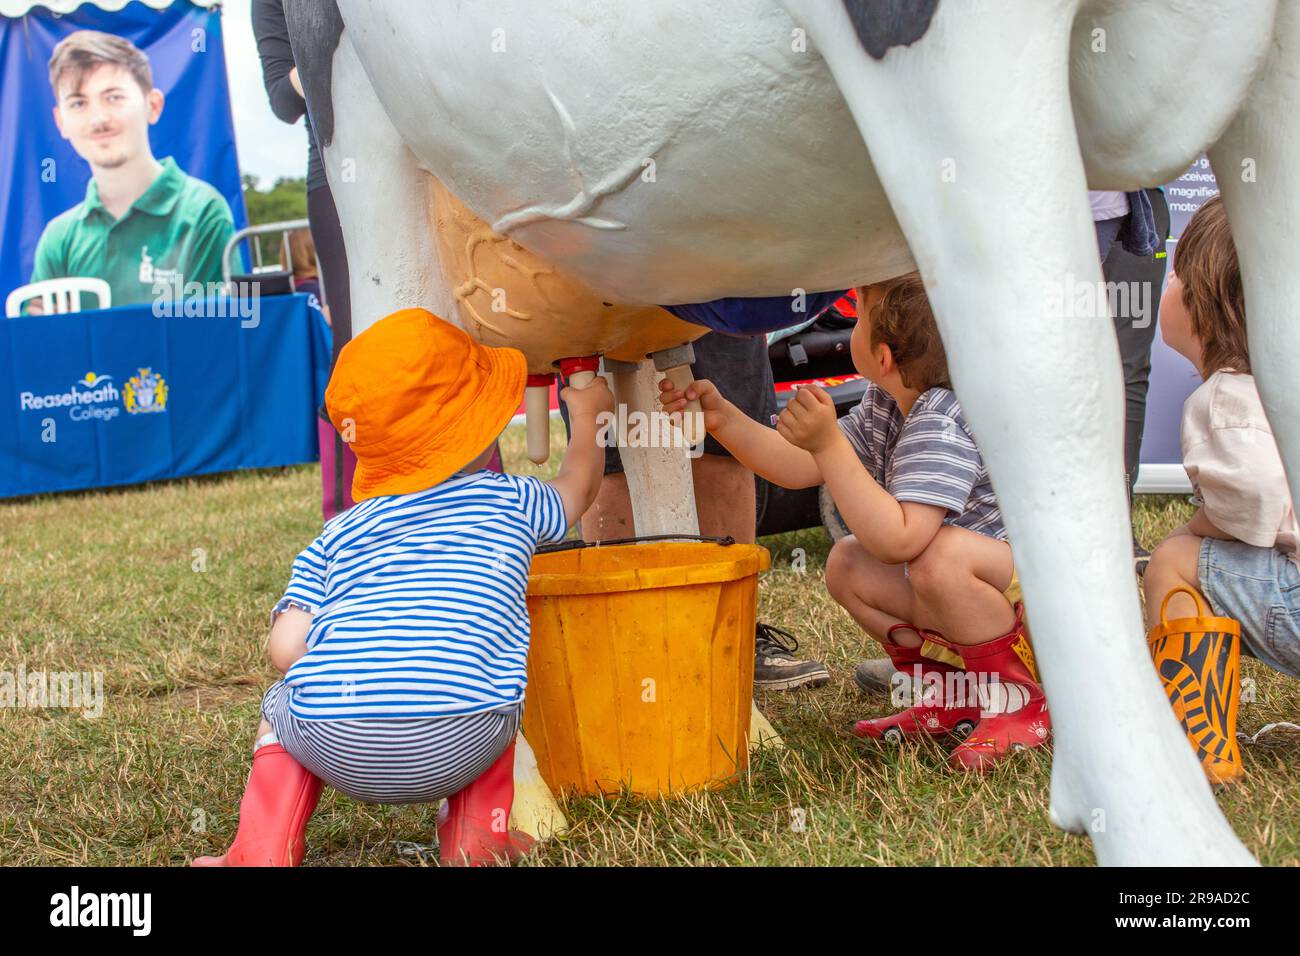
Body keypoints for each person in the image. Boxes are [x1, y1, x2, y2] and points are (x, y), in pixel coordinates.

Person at [192, 308, 612, 867]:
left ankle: (261, 851)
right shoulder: (510, 501)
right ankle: (475, 842)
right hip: (470, 739)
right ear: (478, 425)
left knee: (280, 708)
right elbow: (578, 488)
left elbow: (285, 651)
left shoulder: (338, 532)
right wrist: (588, 420)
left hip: (334, 743)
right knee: (493, 683)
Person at [663, 274, 1049, 770]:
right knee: (848, 561)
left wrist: (826, 444)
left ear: (884, 355)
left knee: (939, 558)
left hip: (1033, 601)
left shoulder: (943, 417)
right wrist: (724, 419)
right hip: (981, 589)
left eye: (859, 313)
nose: (850, 322)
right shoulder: (887, 403)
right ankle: (952, 697)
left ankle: (1019, 702)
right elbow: (798, 465)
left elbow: (901, 540)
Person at [570, 329, 832, 691]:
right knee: (612, 451)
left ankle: (733, 638)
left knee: (722, 430)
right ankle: (626, 643)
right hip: (593, 281)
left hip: (712, 285)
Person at [1143, 195, 1299, 785]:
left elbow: (1256, 498)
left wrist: (1197, 527)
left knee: (1173, 561)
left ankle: (1198, 744)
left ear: (1203, 305)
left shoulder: (1229, 396)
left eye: (1175, 273)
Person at [30, 31, 236, 307]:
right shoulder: (58, 238)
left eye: (113, 97)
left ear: (153, 105)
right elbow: (40, 345)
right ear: (60, 121)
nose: (99, 119)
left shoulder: (203, 213)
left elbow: (215, 338)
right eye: (79, 103)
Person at [254, 0, 357, 520]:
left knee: (446, 333)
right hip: (335, 173)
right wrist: (339, 38)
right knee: (355, 346)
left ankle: (476, 495)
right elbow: (281, 100)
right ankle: (346, 520)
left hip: (428, 163)